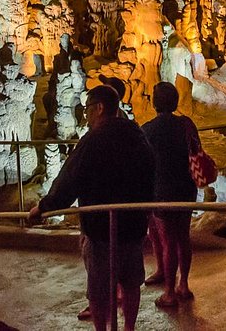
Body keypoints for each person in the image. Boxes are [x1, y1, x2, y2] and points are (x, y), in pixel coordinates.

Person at [29, 85, 155, 331]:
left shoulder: (93, 140)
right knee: (130, 283)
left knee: (98, 289)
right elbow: (150, 171)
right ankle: (129, 327)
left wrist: (45, 207)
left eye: (87, 109)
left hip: (100, 229)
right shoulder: (137, 135)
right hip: (133, 226)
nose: (86, 115)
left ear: (99, 108)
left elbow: (70, 179)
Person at [140, 82, 198, 307]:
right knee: (183, 238)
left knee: (167, 242)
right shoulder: (186, 125)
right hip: (186, 188)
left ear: (155, 103)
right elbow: (196, 151)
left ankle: (169, 293)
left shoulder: (149, 130)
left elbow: (144, 163)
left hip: (162, 190)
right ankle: (183, 284)